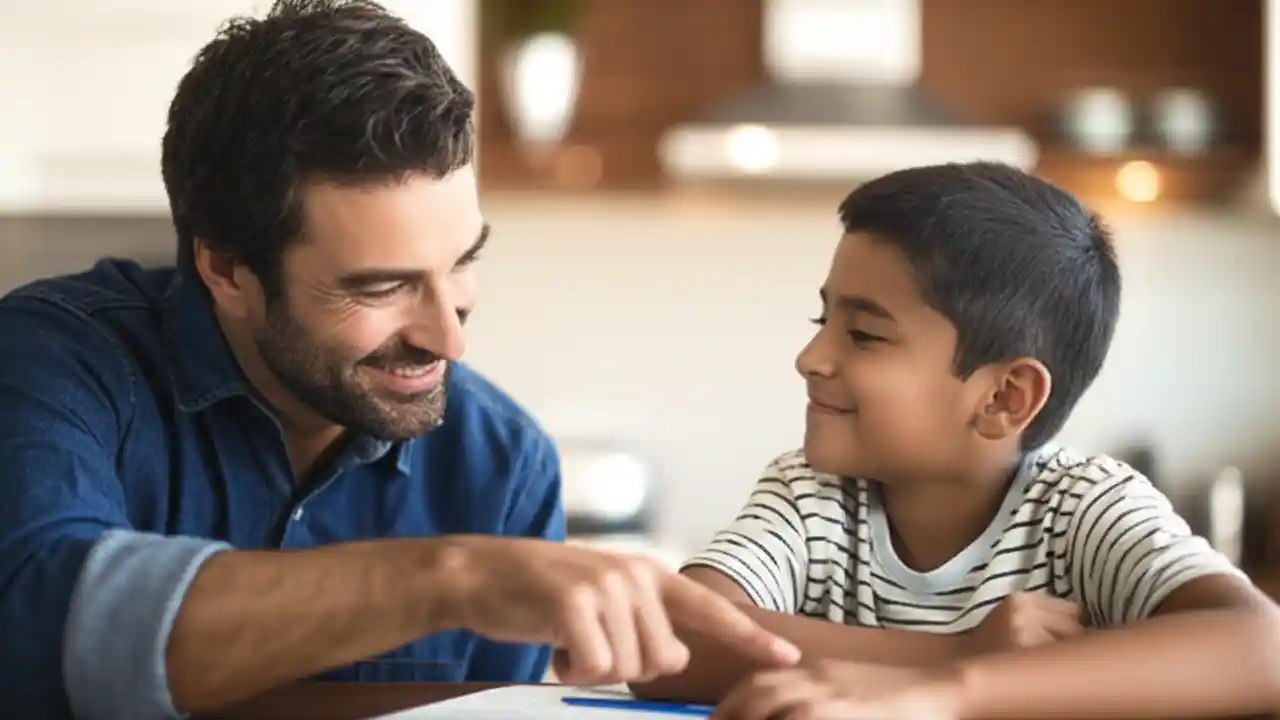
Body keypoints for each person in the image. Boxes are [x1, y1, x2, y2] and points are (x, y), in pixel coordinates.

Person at [0, 2, 801, 718]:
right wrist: (449, 578)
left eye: (461, 264)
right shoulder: (53, 361)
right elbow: (34, 626)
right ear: (227, 270)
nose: (448, 340)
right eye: (381, 288)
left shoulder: (502, 461)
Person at [633, 162, 1280, 719]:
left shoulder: (1082, 507)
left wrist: (954, 692)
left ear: (1003, 398)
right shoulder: (810, 494)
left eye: (863, 335)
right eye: (821, 318)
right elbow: (665, 635)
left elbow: (1263, 650)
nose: (809, 357)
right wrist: (956, 652)